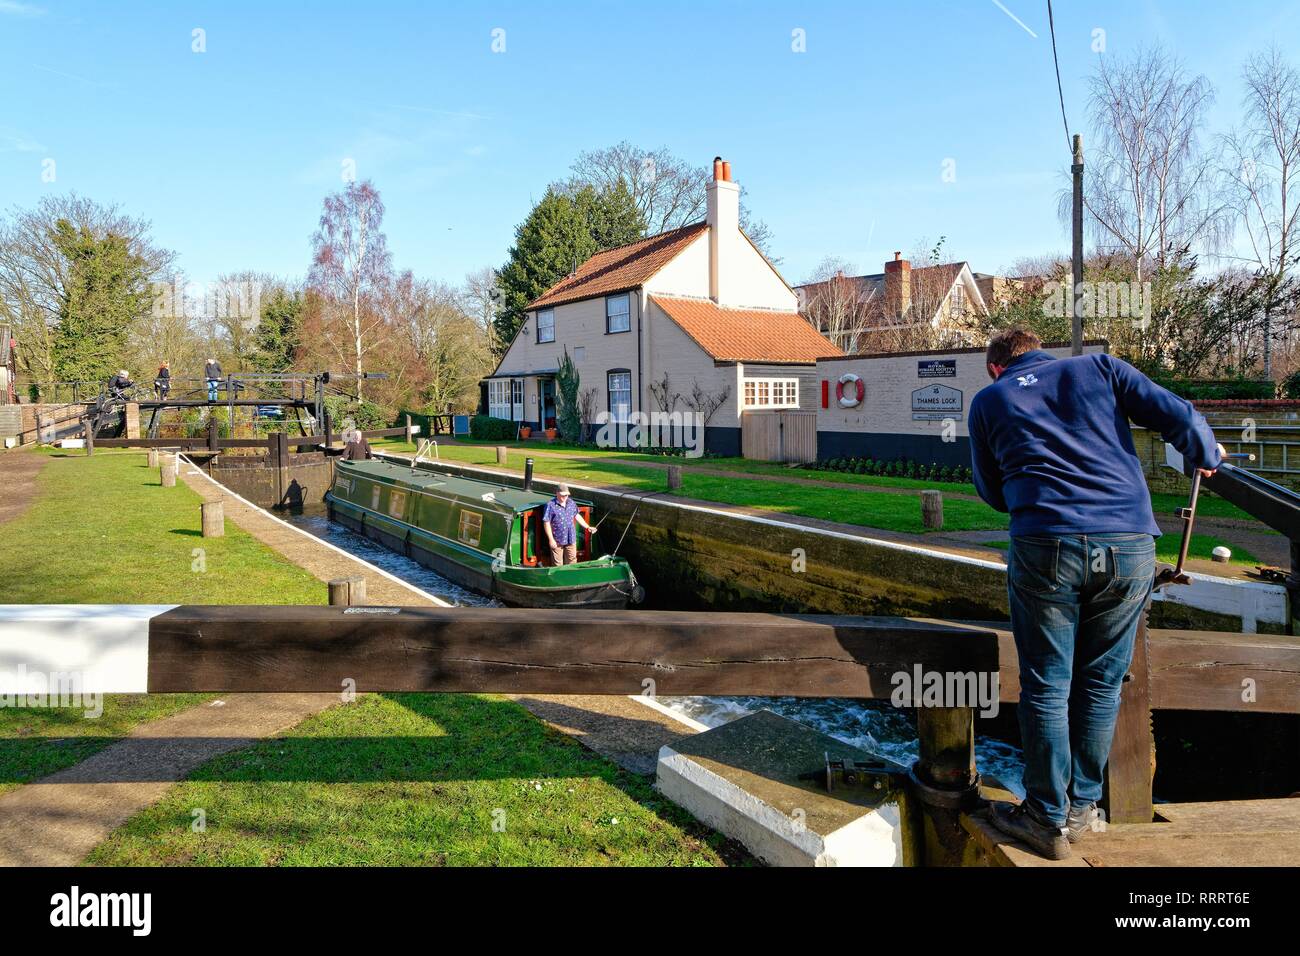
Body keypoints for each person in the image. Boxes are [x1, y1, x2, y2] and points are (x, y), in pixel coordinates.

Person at [968, 328, 1221, 860]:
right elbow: (1179, 414)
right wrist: (1203, 451)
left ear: (996, 368)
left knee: (1045, 684)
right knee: (1103, 682)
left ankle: (1044, 816)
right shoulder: (1102, 368)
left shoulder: (990, 400)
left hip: (1045, 543)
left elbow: (992, 492)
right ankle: (1083, 807)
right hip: (1129, 542)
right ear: (1041, 352)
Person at [541, 483, 597, 566]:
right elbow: (546, 522)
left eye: (566, 495)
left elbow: (577, 515)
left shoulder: (571, 503)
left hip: (571, 538)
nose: (564, 497)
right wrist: (551, 539)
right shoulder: (550, 505)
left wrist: (587, 527)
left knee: (572, 561)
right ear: (557, 493)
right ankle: (558, 577)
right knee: (557, 564)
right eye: (562, 495)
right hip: (557, 540)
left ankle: (571, 576)